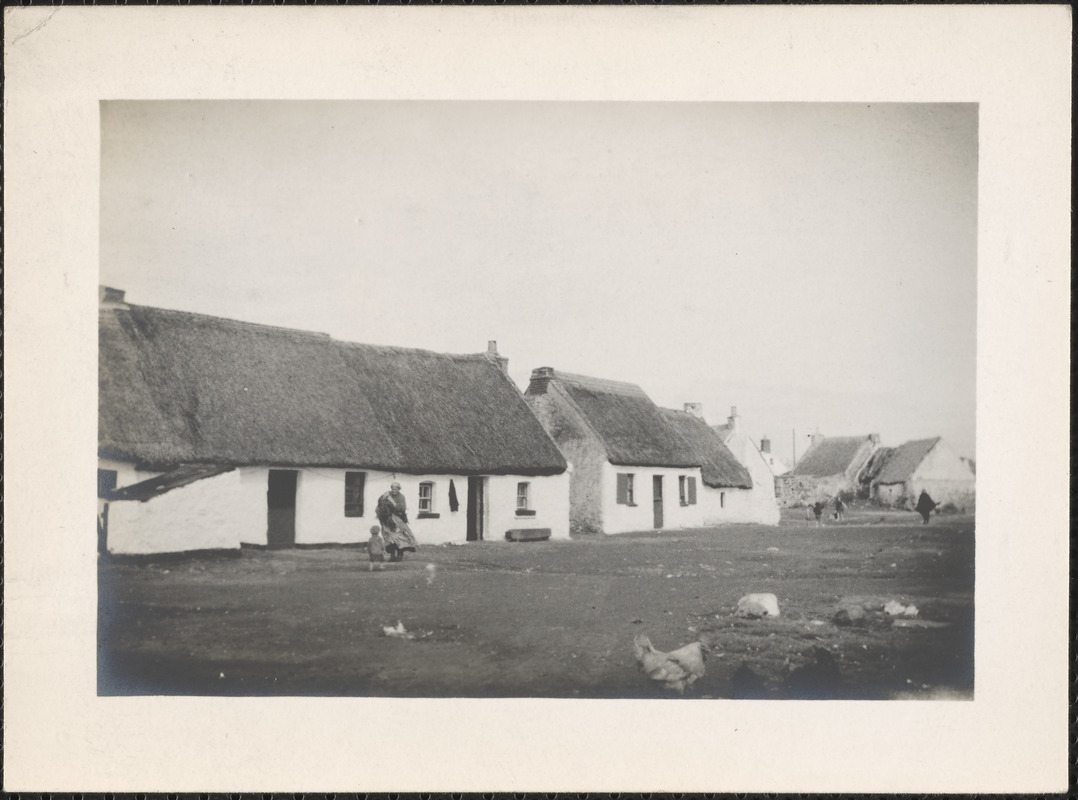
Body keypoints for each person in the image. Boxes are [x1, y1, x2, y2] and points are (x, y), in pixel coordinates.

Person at [376, 481, 419, 561]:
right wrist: (383, 497)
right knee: (389, 538)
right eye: (392, 489)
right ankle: (392, 556)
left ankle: (400, 555)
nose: (393, 490)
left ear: (399, 489)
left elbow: (401, 508)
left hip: (397, 519)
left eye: (395, 489)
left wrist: (391, 501)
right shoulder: (388, 494)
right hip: (387, 519)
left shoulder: (401, 497)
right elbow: (380, 502)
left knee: (399, 537)